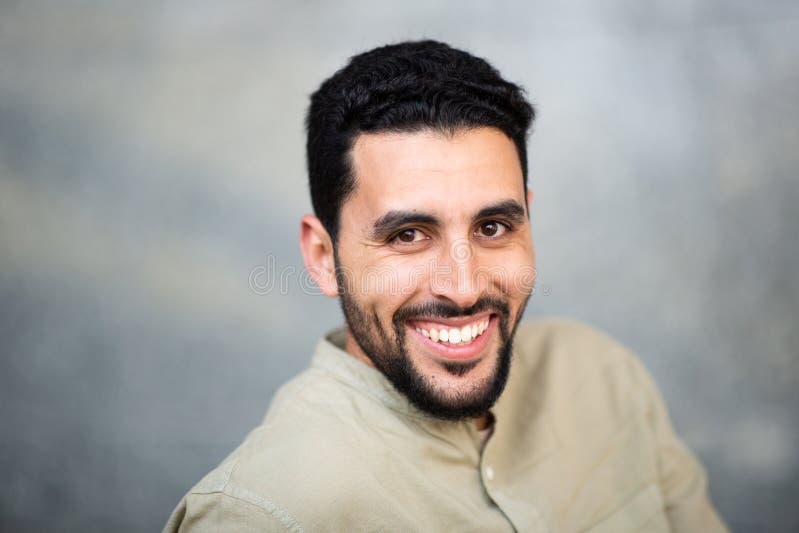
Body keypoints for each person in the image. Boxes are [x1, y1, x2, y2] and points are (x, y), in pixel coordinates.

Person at [165, 40, 727, 532]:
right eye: (408, 234)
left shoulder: (604, 378)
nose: (462, 286)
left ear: (528, 221)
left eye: (492, 227)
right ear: (322, 257)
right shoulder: (263, 515)